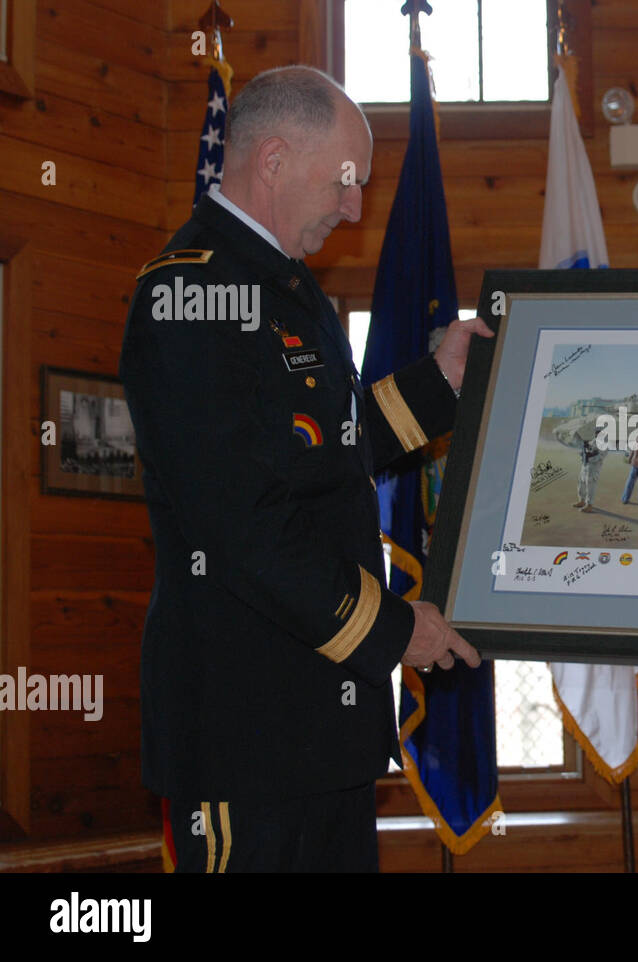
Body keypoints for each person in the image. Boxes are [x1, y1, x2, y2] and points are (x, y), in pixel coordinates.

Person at [119, 65, 490, 872]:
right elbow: (243, 525)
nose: (356, 205)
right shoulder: (188, 295)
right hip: (242, 743)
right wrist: (397, 630)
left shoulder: (290, 289)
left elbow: (330, 448)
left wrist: (443, 384)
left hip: (327, 744)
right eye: (348, 180)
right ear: (275, 159)